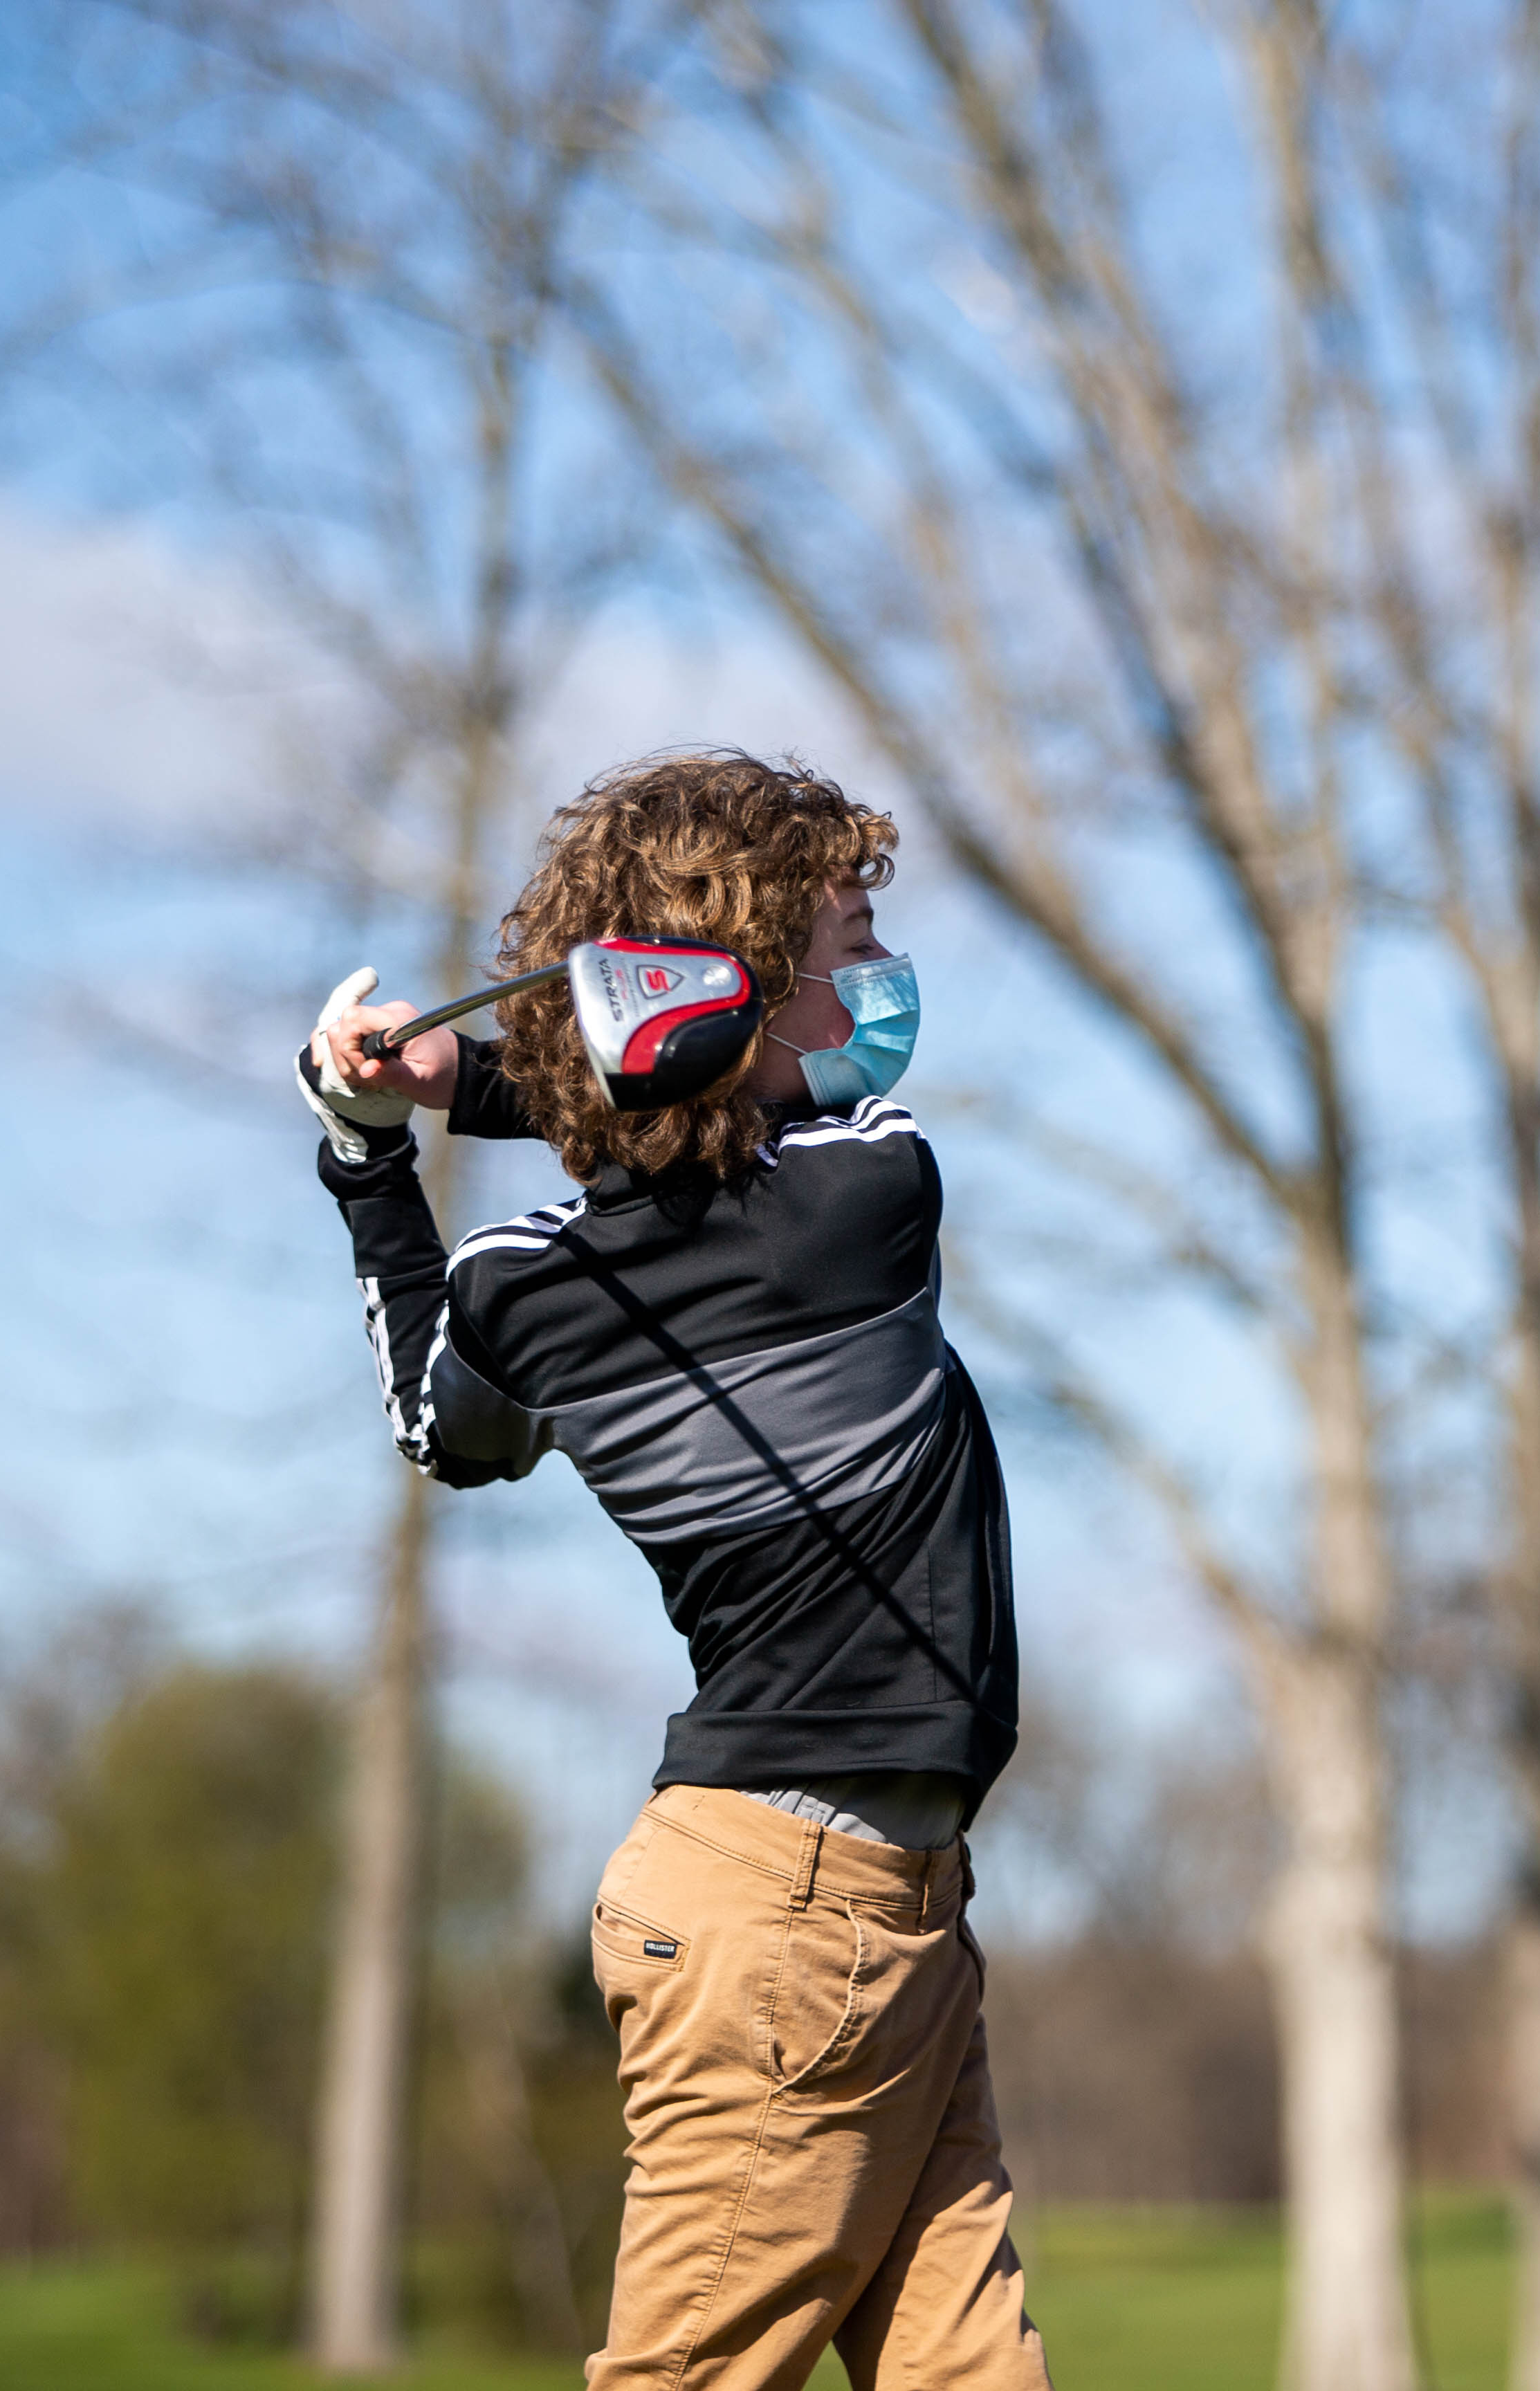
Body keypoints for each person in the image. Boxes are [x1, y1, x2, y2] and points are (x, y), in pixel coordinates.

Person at [295, 749, 1043, 2390]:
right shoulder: (866, 1189)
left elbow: (443, 1426)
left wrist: (381, 1144)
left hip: (888, 1913)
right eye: (851, 947)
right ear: (713, 997)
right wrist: (472, 1087)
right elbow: (731, 1130)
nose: (883, 985)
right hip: (786, 1923)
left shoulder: (523, 1289)